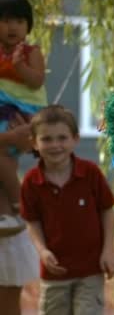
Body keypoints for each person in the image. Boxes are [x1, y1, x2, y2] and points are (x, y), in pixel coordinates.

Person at [19, 105, 114, 314]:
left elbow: (107, 210)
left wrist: (109, 249)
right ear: (34, 143)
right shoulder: (31, 182)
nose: (55, 145)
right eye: (46, 139)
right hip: (54, 273)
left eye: (62, 138)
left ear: (75, 139)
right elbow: (32, 221)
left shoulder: (90, 173)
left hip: (90, 270)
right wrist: (42, 251)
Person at [0, 0, 47, 237]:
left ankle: (19, 204)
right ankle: (7, 216)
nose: (12, 27)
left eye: (19, 21)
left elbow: (37, 82)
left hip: (22, 113)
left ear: (28, 26)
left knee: (2, 158)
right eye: (6, 20)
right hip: (3, 112)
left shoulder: (31, 52)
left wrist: (20, 66)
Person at [0, 117, 39, 315]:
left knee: (9, 297)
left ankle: (17, 205)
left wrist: (28, 135)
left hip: (9, 225)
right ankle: (18, 204)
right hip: (11, 213)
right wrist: (9, 137)